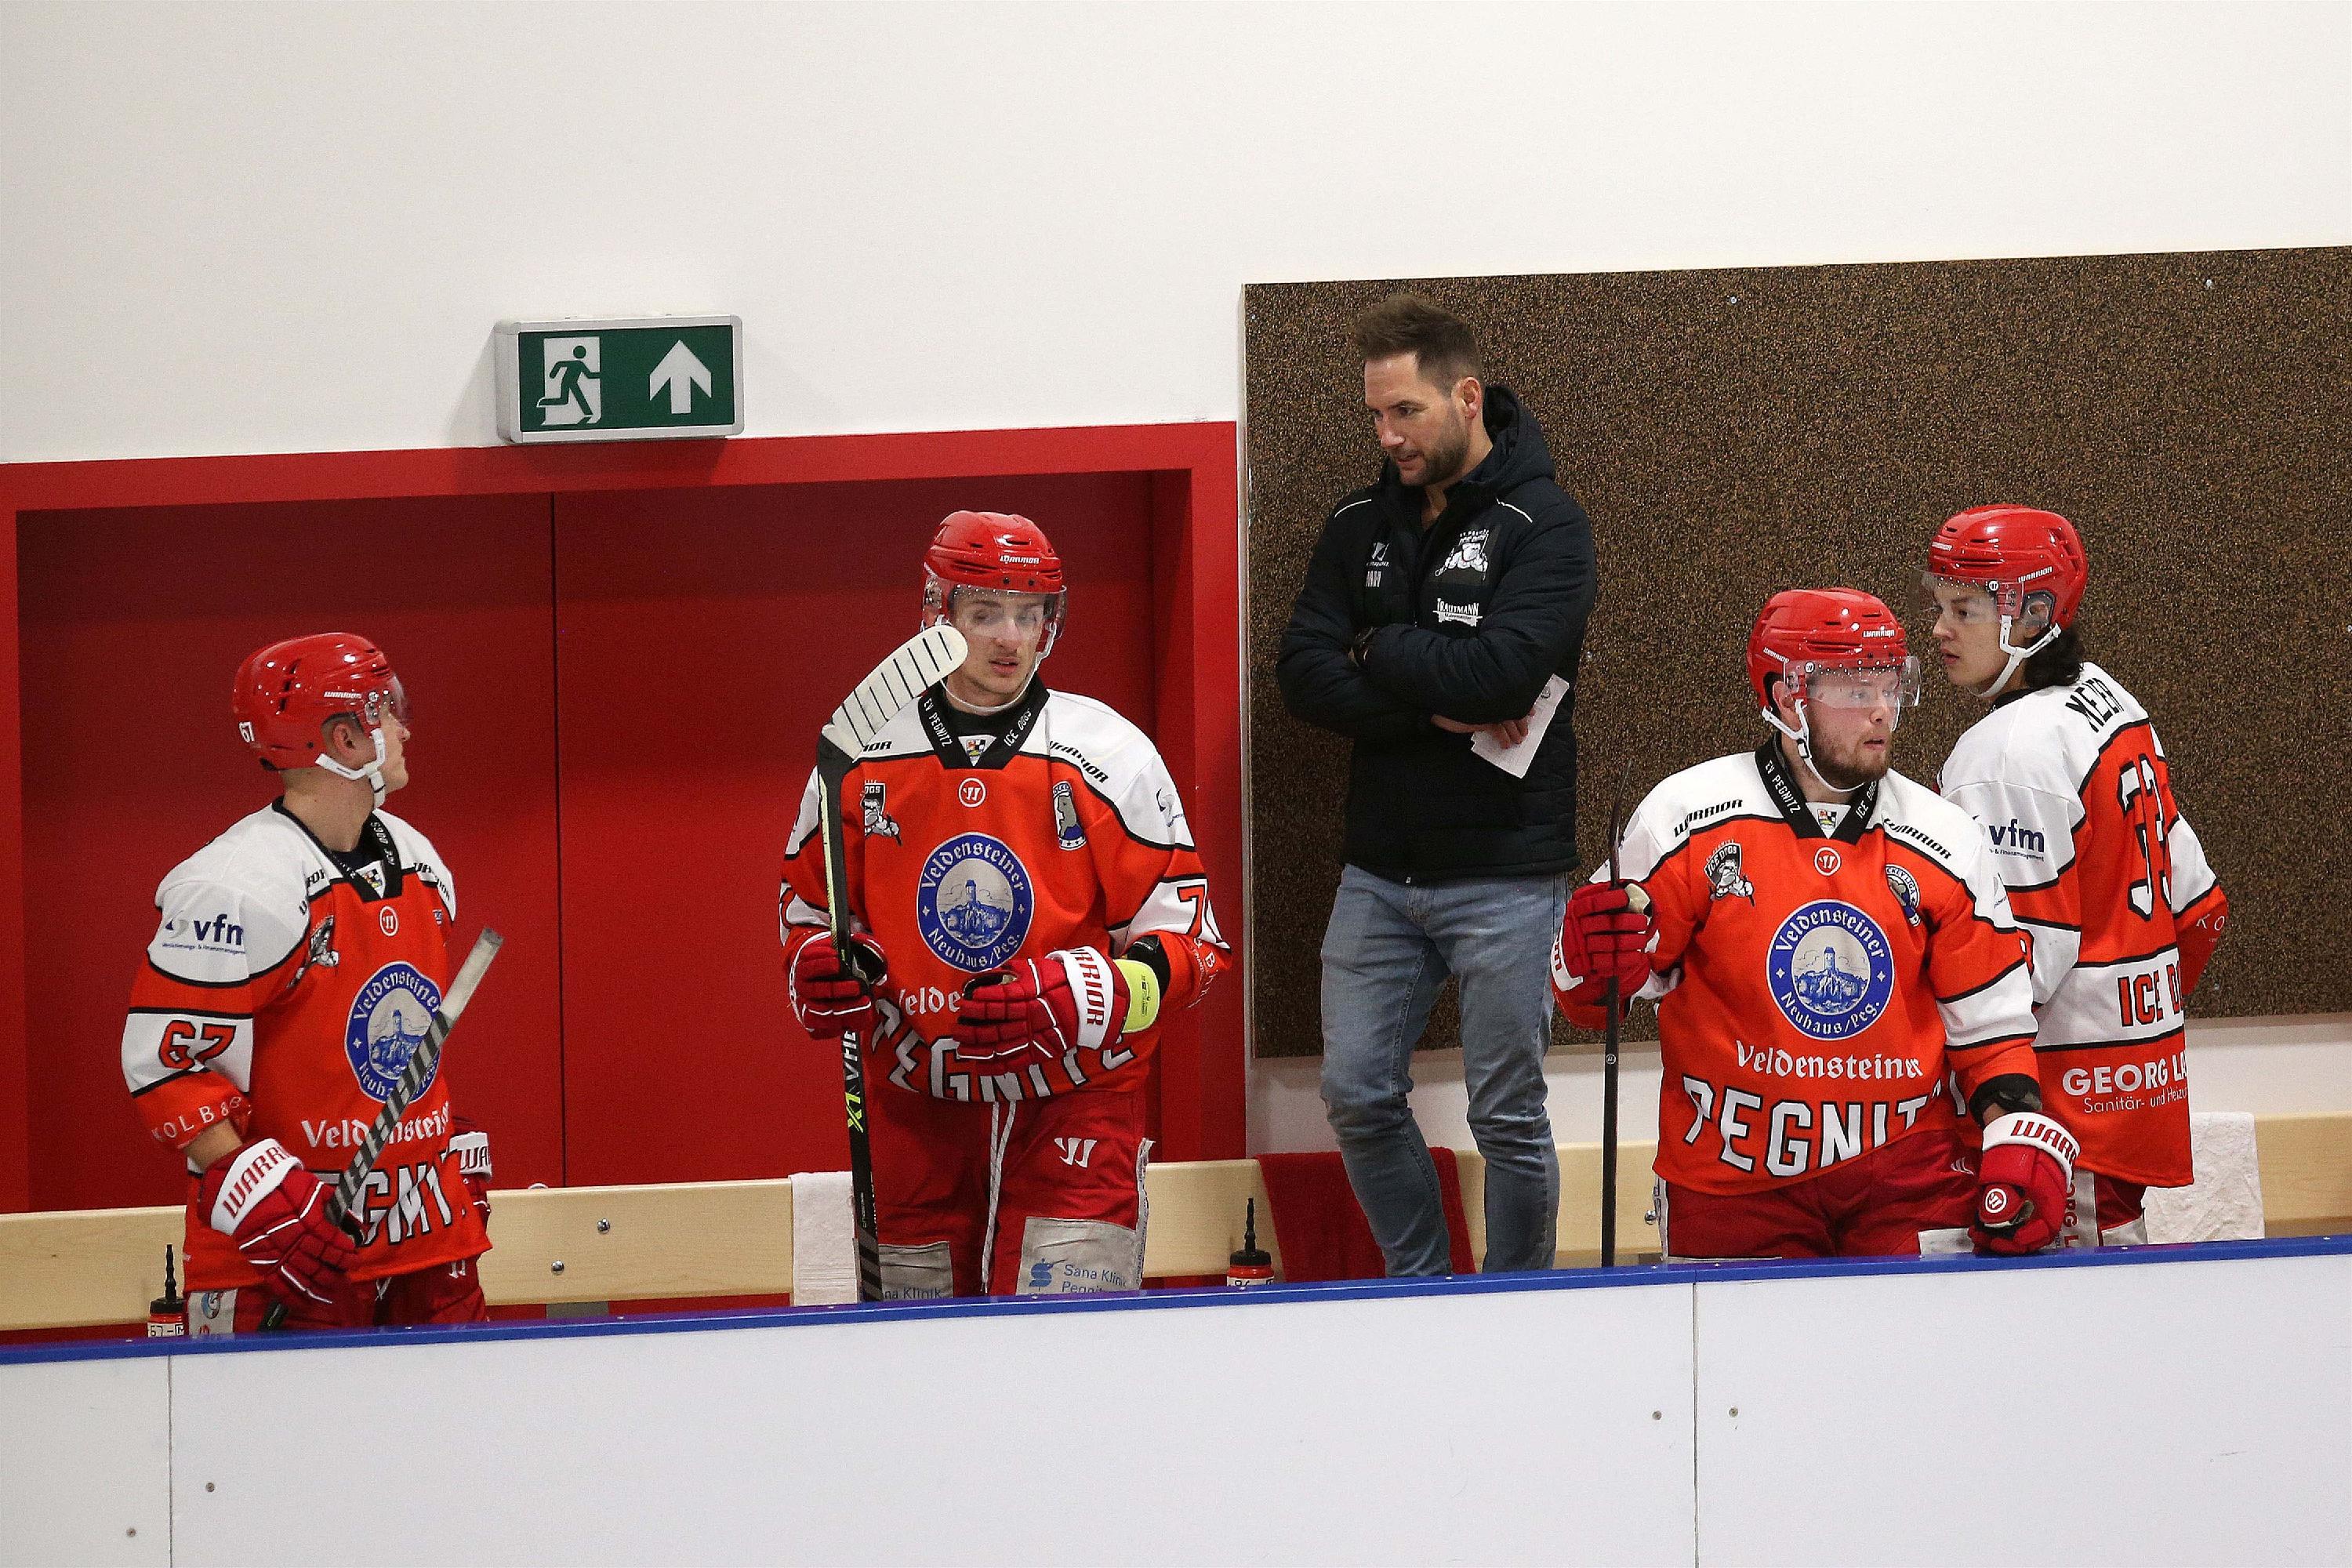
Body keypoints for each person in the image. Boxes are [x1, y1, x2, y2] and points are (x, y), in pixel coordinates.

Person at [779, 511, 1227, 1298]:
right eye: (985, 612)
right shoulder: (860, 750)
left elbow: (1193, 939)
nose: (1010, 638)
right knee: (917, 1371)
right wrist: (817, 963)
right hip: (915, 1105)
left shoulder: (1112, 753)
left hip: (1077, 1106)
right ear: (936, 613)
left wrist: (1104, 991)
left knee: (1064, 1364)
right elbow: (810, 909)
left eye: (1030, 614)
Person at [1552, 589, 2075, 1259]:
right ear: (1786, 696)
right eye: (1857, 690)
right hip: (1733, 1182)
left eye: (1891, 685)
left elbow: (1992, 1029)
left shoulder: (1945, 837)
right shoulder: (1684, 817)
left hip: (1906, 1178)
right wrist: (1591, 958)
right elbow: (1592, 1002)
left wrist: (2020, 1136)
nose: (1883, 709)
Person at [1276, 292, 1596, 1276]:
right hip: (1379, 871)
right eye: (1375, 414)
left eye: (1404, 411)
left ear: (1464, 397)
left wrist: (1376, 651)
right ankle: (1421, 1288)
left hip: (1509, 870)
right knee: (1357, 1092)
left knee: (1507, 1109)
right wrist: (1427, 693)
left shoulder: (1546, 523)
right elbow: (1303, 673)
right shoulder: (1353, 523)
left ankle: (1516, 1303)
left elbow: (1504, 676)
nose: (1387, 434)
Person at [121, 634, 492, 1334]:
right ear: (345, 739)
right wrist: (251, 1192)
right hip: (291, 1262)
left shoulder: (421, 862)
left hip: (425, 1241)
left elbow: (398, 1049)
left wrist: (445, 1138)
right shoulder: (231, 887)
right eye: (385, 711)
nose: (404, 728)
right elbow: (169, 1064)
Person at [1925, 505, 2229, 1246]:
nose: (1937, 629)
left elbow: (2011, 971)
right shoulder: (2109, 699)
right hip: (2132, 1091)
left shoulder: (2004, 754)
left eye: (1963, 609)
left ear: (2031, 615)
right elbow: (2200, 905)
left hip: (2058, 1111)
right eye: (1937, 605)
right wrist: (2136, 1028)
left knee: (2065, 1337)